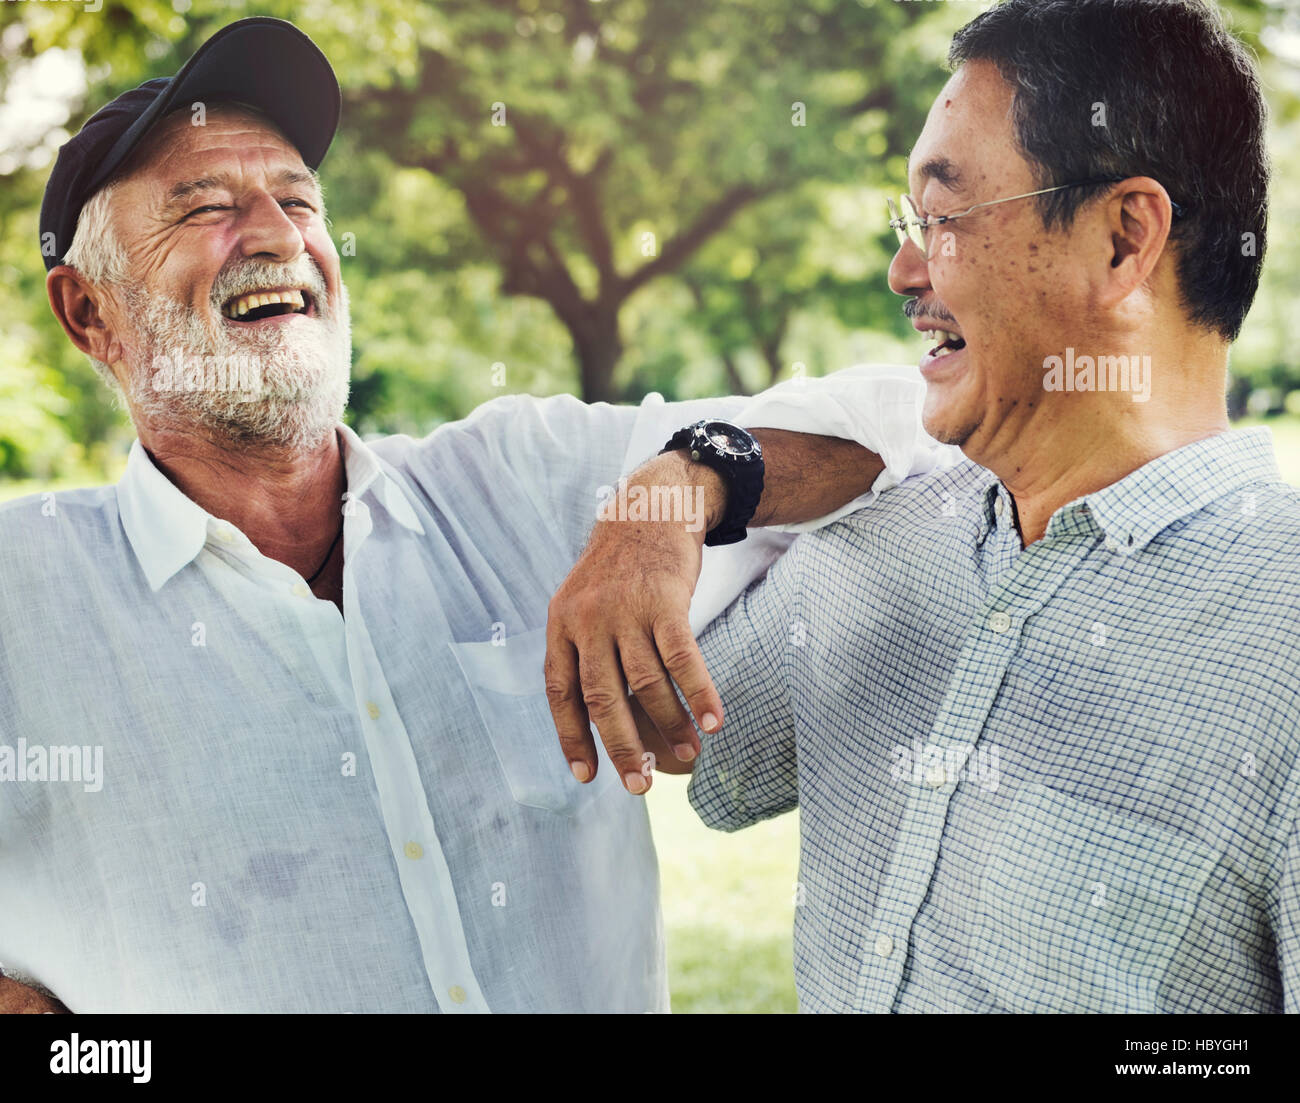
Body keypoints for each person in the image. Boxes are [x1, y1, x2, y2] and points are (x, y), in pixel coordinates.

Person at [0, 17, 947, 1012]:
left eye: (297, 199)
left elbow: (905, 424)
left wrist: (674, 490)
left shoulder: (517, 480)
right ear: (87, 314)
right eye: (204, 208)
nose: (278, 234)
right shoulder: (25, 600)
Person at [551, 0, 1300, 1012]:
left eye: (945, 218)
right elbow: (663, 723)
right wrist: (676, 483)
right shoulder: (885, 539)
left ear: (1124, 240)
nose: (905, 269)